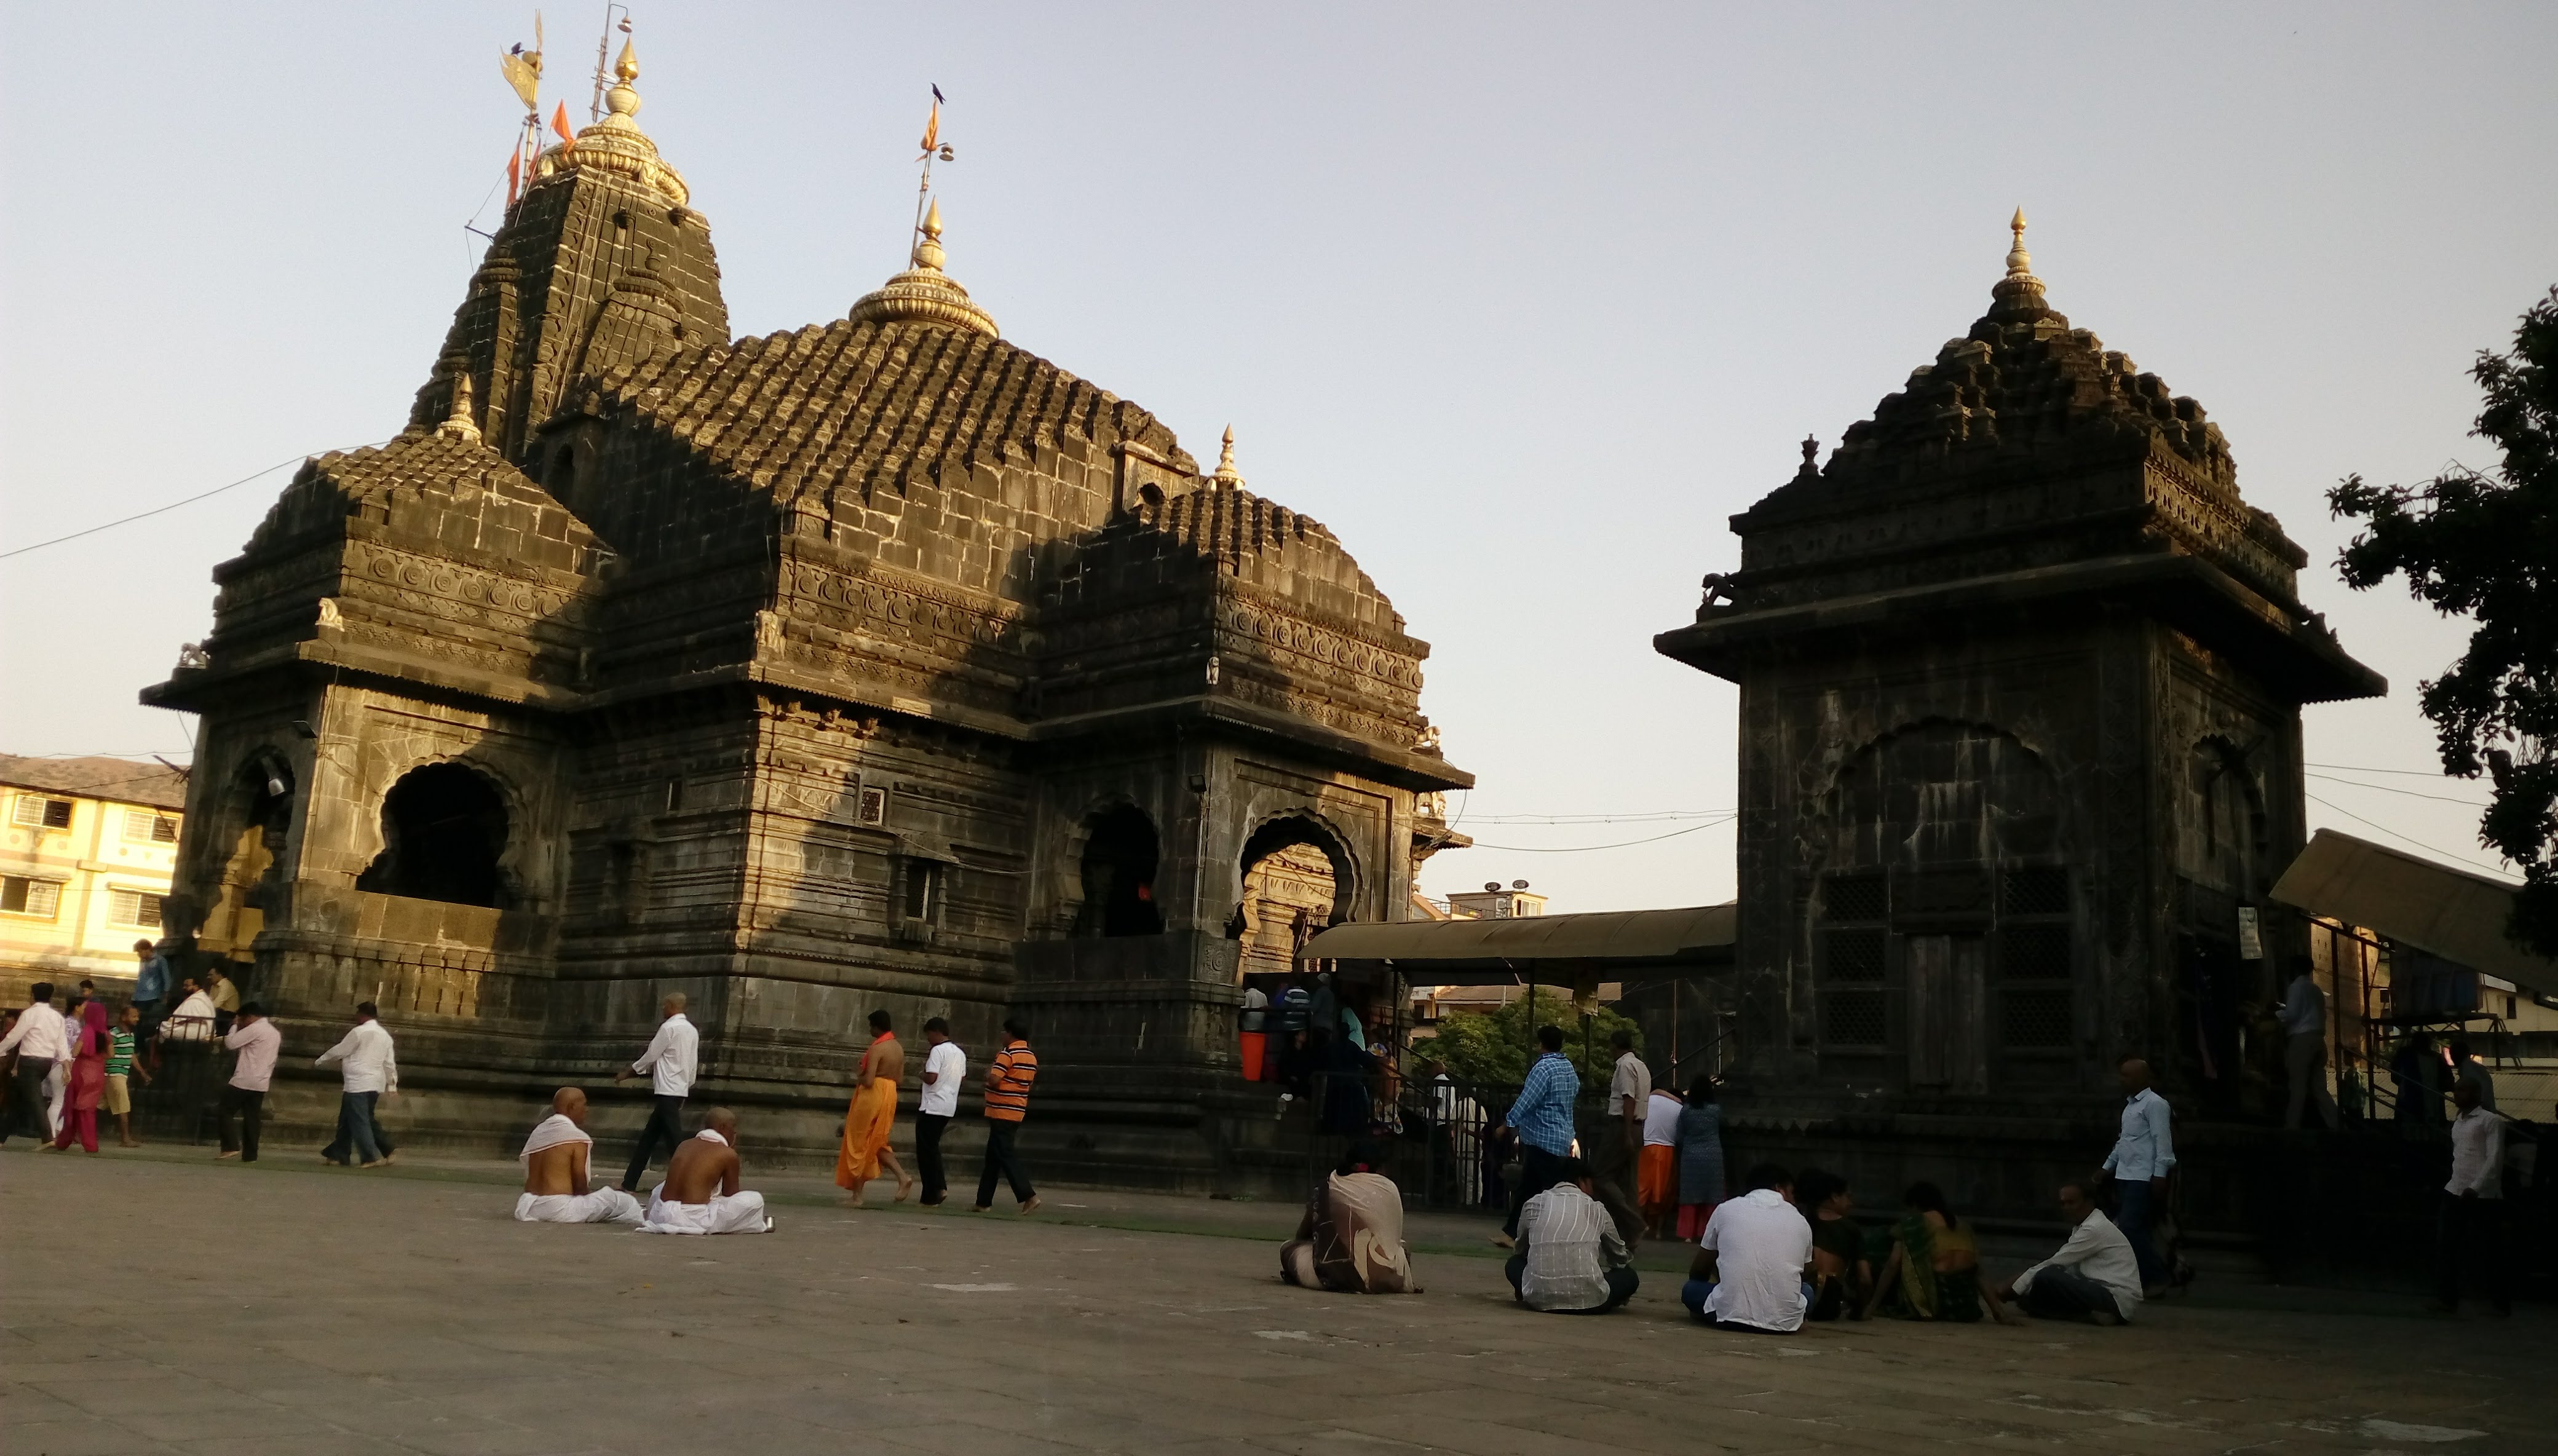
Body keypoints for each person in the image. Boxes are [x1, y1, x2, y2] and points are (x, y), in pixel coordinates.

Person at [1682, 1162, 1813, 1332]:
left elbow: (1699, 1269)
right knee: (1807, 1291)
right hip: (1785, 1323)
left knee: (1691, 1289)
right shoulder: (1800, 1220)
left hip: (1729, 1318)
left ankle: (1717, 1309)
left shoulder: (1725, 1209)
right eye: (1792, 1192)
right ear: (1779, 1189)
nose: (1793, 1200)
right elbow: (1806, 1273)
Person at [1993, 1181, 2142, 1325]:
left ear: (2089, 1203)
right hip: (2099, 1292)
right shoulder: (2083, 1226)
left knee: (2045, 1275)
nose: (2066, 1208)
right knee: (2031, 1295)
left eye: (2071, 1203)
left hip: (2115, 1298)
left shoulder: (2094, 1228)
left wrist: (2013, 1287)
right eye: (2063, 1204)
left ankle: (2093, 1315)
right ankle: (2090, 1316)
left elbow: (2056, 1263)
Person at [1280, 1141, 1420, 1294]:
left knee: (1288, 1248)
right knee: (1401, 1247)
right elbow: (1393, 1239)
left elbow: (1303, 1234)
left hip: (1338, 1277)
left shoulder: (1330, 1184)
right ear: (1380, 1168)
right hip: (1387, 1279)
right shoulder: (1390, 1188)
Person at [1507, 1157, 1637, 1313]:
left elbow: (1520, 1249)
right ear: (1582, 1181)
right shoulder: (1596, 1208)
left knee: (1513, 1263)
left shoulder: (1534, 1204)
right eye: (1591, 1185)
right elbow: (1619, 1256)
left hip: (1538, 1298)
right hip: (1591, 1301)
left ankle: (1531, 1290)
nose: (1592, 1191)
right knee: (1629, 1276)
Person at [1492, 1024, 1578, 1249]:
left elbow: (1528, 1099)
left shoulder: (1543, 1068)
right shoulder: (1568, 1067)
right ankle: (1513, 1233)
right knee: (1532, 1187)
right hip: (1561, 1134)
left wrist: (1508, 1123)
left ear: (1541, 1044)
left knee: (1545, 1189)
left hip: (1542, 1136)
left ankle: (1556, 1234)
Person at [1860, 1181, 1993, 1322]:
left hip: (1935, 1304)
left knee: (1896, 1253)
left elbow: (1893, 1264)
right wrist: (1999, 1312)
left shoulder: (1913, 1224)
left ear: (1915, 1205)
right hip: (1966, 1306)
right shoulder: (1964, 1226)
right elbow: (1979, 1273)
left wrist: (1872, 1306)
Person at [2096, 1056, 2174, 1294]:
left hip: (2143, 1176)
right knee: (2130, 1228)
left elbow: (2163, 1142)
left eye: (2127, 1075)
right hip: (2125, 1175)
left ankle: (2158, 1277)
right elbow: (2124, 1142)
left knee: (2130, 1227)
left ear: (2143, 1078)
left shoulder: (2155, 1104)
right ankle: (2142, 1278)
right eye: (2121, 1074)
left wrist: (2160, 1174)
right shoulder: (2130, 1107)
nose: (2122, 1080)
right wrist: (2107, 1167)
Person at [2434, 1077, 2509, 1315]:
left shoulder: (2491, 1121)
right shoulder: (2458, 1122)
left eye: (2463, 1090)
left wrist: (2475, 1187)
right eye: (2456, 1090)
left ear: (2476, 1094)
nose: (2457, 1094)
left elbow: (2494, 1159)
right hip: (2456, 1189)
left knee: (2491, 1250)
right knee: (2447, 1246)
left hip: (2483, 1195)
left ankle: (2500, 1302)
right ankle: (2448, 1299)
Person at [515, 1088, 643, 1224]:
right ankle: (643, 1217)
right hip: (559, 1209)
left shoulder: (538, 1132)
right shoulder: (577, 1138)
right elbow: (580, 1186)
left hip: (530, 1207)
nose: (587, 1110)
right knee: (621, 1200)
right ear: (572, 1107)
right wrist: (595, 1197)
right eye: (584, 1105)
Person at [636, 1108, 772, 1234]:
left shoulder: (684, 1144)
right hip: (694, 1218)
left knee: (660, 1188)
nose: (735, 1133)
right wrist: (731, 1150)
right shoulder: (728, 1154)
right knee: (755, 1200)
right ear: (723, 1128)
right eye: (733, 1128)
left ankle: (649, 1213)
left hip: (661, 1213)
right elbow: (730, 1195)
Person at [614, 993, 699, 1193]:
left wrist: (629, 1072)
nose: (662, 1009)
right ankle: (629, 1183)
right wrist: (686, 1087)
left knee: (675, 1142)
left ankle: (691, 1183)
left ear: (671, 1006)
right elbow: (692, 1064)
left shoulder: (668, 1028)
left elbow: (651, 1055)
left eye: (664, 1005)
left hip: (667, 1089)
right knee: (649, 1138)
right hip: (677, 1090)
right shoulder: (692, 1031)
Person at [836, 1008, 914, 1205]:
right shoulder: (898, 1048)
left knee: (858, 1142)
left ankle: (857, 1197)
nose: (870, 1030)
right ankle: (903, 1177)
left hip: (873, 1094)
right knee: (876, 1141)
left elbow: (869, 1080)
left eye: (871, 1026)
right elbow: (900, 1079)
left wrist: (858, 1074)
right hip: (890, 1093)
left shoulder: (878, 1048)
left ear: (877, 1027)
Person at [315, 1002, 399, 1168]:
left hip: (358, 1083)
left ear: (362, 1015)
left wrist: (321, 1060)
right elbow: (389, 1063)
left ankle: (370, 1156)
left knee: (359, 1121)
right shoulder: (385, 1036)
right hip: (375, 1083)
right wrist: (392, 1084)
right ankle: (340, 1154)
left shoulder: (359, 1032)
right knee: (353, 1119)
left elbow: (341, 1050)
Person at [973, 1018, 1041, 1214]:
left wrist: (988, 1076)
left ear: (1010, 1033)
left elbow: (995, 1079)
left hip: (1001, 1110)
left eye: (1004, 1032)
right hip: (1017, 1109)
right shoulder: (1031, 1057)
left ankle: (1028, 1195)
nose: (1002, 1036)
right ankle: (983, 1201)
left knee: (1005, 1154)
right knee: (993, 1157)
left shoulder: (1008, 1053)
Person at [1793, 1169, 1871, 1320]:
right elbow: (1865, 1279)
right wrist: (1859, 1311)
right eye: (1848, 1197)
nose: (1851, 1203)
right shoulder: (1850, 1229)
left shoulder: (1800, 1222)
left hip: (1796, 1302)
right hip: (1828, 1307)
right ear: (1835, 1197)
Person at [0, 983, 69, 1143]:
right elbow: (62, 1044)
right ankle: (2, 1137)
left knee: (35, 1099)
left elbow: (14, 1037)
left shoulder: (29, 1014)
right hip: (46, 1063)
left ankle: (47, 1136)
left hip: (29, 1062)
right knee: (18, 1100)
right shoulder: (57, 1017)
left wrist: (1, 1050)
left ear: (33, 996)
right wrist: (66, 1066)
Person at [2277, 957, 2339, 1131]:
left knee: (2298, 1087)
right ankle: (2337, 1125)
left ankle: (2292, 1127)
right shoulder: (2316, 990)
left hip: (2301, 1040)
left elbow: (2292, 1015)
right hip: (2318, 1040)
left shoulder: (2296, 987)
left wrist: (2276, 1014)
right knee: (2320, 1089)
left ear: (2295, 969)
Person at [44, 1000, 113, 1153]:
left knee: (73, 1107)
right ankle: (87, 1143)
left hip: (81, 1072)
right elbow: (111, 1054)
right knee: (89, 1109)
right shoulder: (106, 1033)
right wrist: (97, 1056)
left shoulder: (87, 1031)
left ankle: (68, 1141)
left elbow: (75, 1052)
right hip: (98, 1073)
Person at [216, 1002, 280, 1162]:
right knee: (252, 1118)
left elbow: (231, 1043)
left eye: (243, 1019)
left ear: (249, 1017)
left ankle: (230, 1146)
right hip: (262, 1081)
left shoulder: (255, 1029)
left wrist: (234, 1026)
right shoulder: (274, 1032)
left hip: (245, 1078)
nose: (242, 1023)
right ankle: (251, 1154)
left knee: (224, 1110)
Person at [914, 1016, 964, 1206]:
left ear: (936, 1032)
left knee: (925, 1152)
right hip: (948, 1105)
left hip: (932, 1105)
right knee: (932, 1148)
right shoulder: (960, 1053)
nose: (928, 1039)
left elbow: (932, 1077)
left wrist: (921, 1074)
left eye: (928, 1034)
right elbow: (962, 1078)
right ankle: (937, 1189)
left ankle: (933, 1192)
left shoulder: (937, 1051)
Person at [1674, 1075, 1726, 1240]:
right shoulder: (1715, 1110)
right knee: (1712, 1194)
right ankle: (1708, 1233)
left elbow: (1679, 1135)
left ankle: (1687, 1234)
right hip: (1713, 1155)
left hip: (1691, 1155)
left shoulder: (1686, 1111)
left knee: (1690, 1194)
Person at [1604, 1029, 1650, 1192]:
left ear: (1614, 1046)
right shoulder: (1641, 1066)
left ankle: (1622, 1208)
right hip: (1638, 1126)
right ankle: (1630, 1208)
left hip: (1623, 1125)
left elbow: (1629, 1098)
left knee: (1601, 1175)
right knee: (1629, 1181)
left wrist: (1627, 1133)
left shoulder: (1625, 1066)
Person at [1639, 1083, 1683, 1237]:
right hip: (1668, 1151)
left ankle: (1640, 1226)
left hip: (1647, 1148)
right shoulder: (1680, 1108)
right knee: (1664, 1194)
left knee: (1642, 1190)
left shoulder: (1651, 1099)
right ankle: (1658, 1230)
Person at [105, 1004, 151, 1148]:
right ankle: (125, 1138)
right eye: (133, 1016)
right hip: (114, 1073)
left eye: (137, 1016)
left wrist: (142, 1073)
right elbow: (106, 1053)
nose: (137, 1019)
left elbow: (131, 1055)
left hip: (121, 1073)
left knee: (98, 1105)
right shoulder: (114, 1034)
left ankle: (76, 1132)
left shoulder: (130, 1035)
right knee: (123, 1106)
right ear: (124, 1017)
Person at [130, 940, 171, 1048]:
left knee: (146, 1025)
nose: (139, 955)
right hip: (138, 997)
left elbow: (167, 979)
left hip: (152, 997)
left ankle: (141, 1048)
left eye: (140, 951)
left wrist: (165, 995)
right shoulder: (143, 961)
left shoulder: (160, 961)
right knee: (135, 1024)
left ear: (147, 950)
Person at [2448, 1040, 2497, 1114]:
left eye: (2453, 1055)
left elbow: (2471, 1093)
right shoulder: (2475, 1068)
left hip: (2479, 1111)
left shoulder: (2467, 1071)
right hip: (2485, 1110)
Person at [204, 965, 240, 1037]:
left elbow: (217, 1004)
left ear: (219, 975)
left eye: (211, 975)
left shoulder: (226, 986)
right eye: (208, 975)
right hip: (220, 1013)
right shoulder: (214, 986)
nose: (209, 977)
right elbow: (210, 1001)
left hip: (229, 1015)